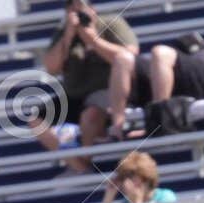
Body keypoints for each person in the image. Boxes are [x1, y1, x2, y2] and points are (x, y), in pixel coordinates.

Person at [34, 1, 138, 172]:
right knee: (36, 119)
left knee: (90, 115)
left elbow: (130, 55)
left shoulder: (111, 23)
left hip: (109, 89)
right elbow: (51, 68)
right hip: (75, 94)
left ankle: (86, 160)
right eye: (71, 10)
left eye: (80, 8)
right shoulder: (63, 34)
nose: (77, 13)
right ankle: (80, 168)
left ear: (92, 9)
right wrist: (68, 36)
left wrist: (92, 38)